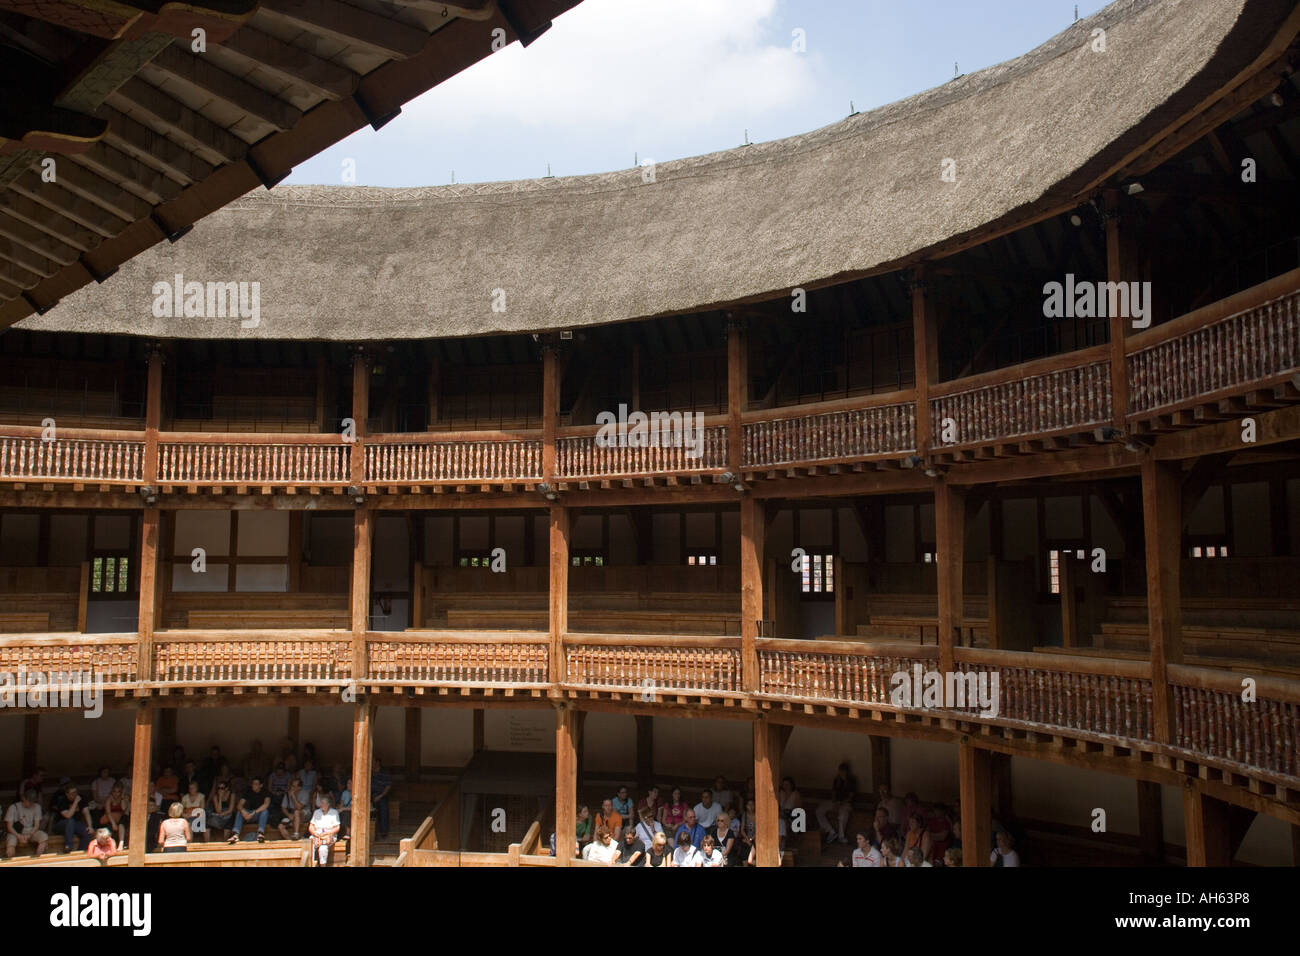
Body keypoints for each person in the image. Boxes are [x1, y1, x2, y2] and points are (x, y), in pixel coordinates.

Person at [817, 762, 857, 845]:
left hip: (846, 804)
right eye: (840, 771)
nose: (842, 773)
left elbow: (851, 796)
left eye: (843, 771)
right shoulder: (837, 780)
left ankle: (841, 837)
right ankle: (831, 831)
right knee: (819, 810)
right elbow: (833, 793)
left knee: (842, 816)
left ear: (847, 772)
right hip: (836, 802)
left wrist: (841, 803)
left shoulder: (851, 781)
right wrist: (835, 802)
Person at [50, 782, 93, 853]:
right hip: (60, 825)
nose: (75, 795)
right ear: (67, 794)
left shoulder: (81, 798)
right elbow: (68, 815)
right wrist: (75, 802)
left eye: (75, 792)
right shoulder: (62, 800)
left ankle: (80, 852)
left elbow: (86, 813)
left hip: (76, 824)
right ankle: (68, 846)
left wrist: (90, 826)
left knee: (87, 832)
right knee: (70, 821)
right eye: (72, 793)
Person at [4, 789, 48, 857]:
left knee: (44, 837)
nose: (30, 804)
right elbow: (9, 827)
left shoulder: (37, 807)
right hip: (15, 832)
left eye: (32, 802)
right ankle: (11, 861)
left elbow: (36, 826)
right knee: (11, 844)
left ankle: (37, 858)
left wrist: (29, 835)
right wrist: (19, 836)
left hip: (30, 831)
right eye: (29, 801)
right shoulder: (13, 807)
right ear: (23, 798)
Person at [227, 777, 271, 843]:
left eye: (256, 784)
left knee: (265, 811)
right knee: (239, 811)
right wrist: (243, 812)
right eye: (253, 784)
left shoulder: (265, 792)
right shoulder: (249, 791)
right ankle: (235, 835)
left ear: (260, 785)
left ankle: (260, 833)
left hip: (258, 814)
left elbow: (266, 805)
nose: (253, 785)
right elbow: (239, 805)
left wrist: (253, 813)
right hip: (249, 814)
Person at [308, 794, 341, 867]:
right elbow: (311, 826)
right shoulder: (317, 812)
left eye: (323, 803)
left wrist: (327, 833)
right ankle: (311, 864)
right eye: (321, 803)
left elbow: (337, 827)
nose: (321, 805)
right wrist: (314, 833)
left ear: (328, 804)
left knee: (323, 848)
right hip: (317, 833)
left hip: (329, 834)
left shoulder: (334, 812)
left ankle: (323, 865)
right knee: (310, 846)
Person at [98, 783, 129, 848]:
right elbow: (108, 812)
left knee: (122, 824)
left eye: (118, 792)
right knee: (110, 828)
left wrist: (122, 797)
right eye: (114, 791)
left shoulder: (124, 798)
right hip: (110, 819)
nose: (116, 793)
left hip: (121, 818)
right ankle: (109, 846)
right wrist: (113, 824)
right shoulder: (109, 799)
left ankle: (121, 843)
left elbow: (123, 808)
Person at [371, 757, 392, 839]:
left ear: (377, 762)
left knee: (383, 807)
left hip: (382, 795)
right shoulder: (370, 772)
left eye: (372, 761)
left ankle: (384, 831)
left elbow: (388, 786)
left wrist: (380, 796)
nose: (371, 763)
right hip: (371, 795)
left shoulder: (385, 773)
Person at [778, 777, 801, 851]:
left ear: (791, 785)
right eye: (784, 784)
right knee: (781, 822)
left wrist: (788, 813)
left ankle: (784, 844)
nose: (785, 786)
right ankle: (781, 843)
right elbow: (778, 805)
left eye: (787, 784)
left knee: (785, 823)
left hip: (792, 814)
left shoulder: (795, 794)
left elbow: (798, 808)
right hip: (781, 814)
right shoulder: (781, 793)